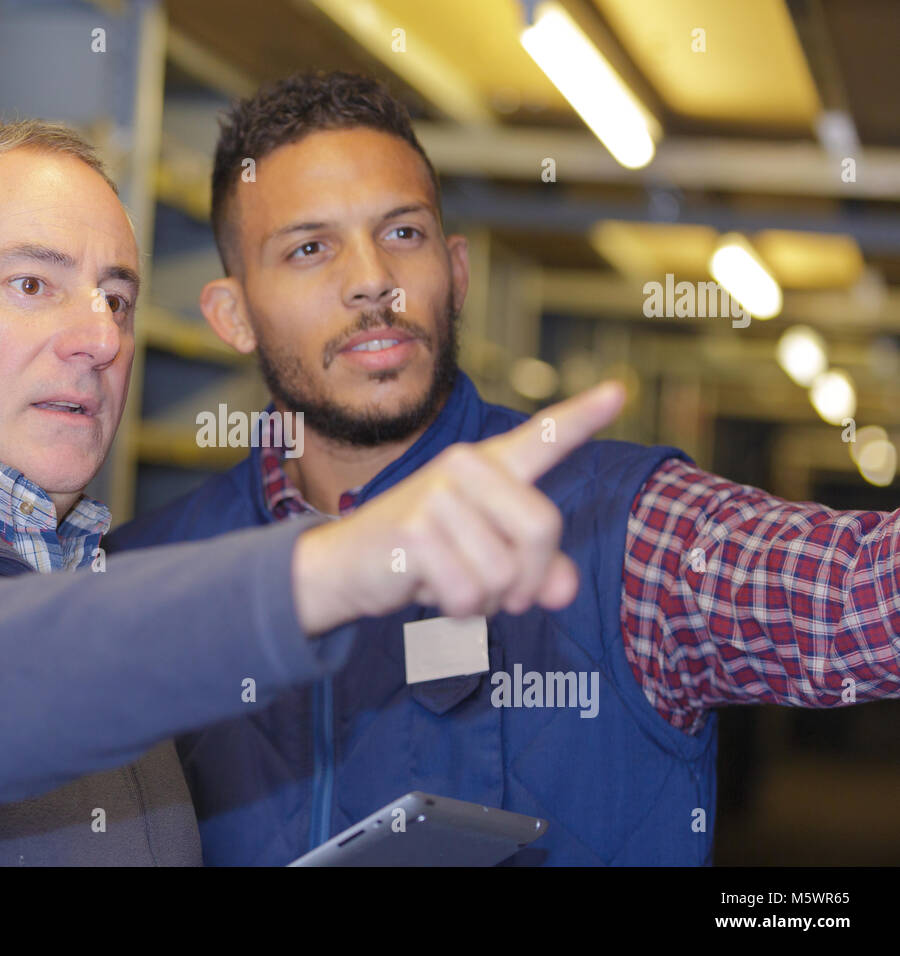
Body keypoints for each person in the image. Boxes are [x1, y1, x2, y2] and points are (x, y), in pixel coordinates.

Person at [0, 118, 619, 865]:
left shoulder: (71, 573)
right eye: (32, 283)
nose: (99, 336)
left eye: (116, 296)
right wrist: (321, 567)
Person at [107, 72, 900, 865]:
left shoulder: (618, 527)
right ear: (232, 315)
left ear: (456, 271)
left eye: (403, 233)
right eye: (310, 248)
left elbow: (858, 593)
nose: (371, 277)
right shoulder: (146, 578)